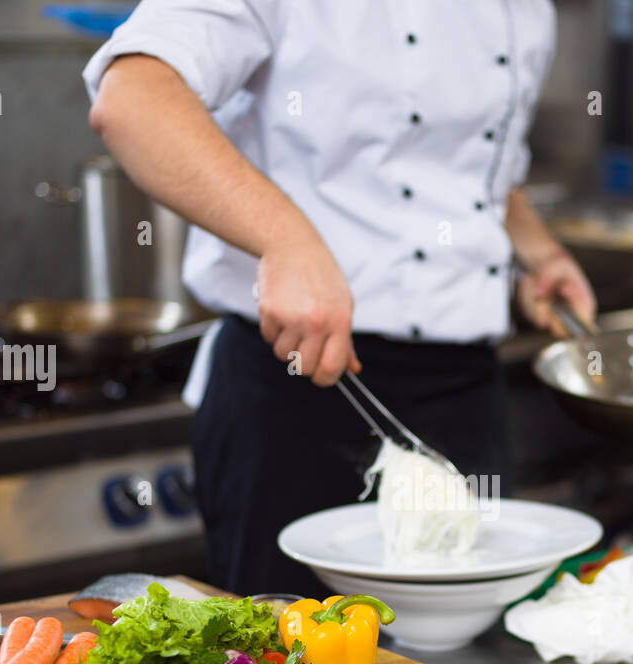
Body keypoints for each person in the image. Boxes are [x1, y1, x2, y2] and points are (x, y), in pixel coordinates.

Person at [83, 1, 596, 596]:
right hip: (298, 391)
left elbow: (470, 167)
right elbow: (133, 98)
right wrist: (285, 239)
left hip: (466, 395)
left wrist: (538, 252)